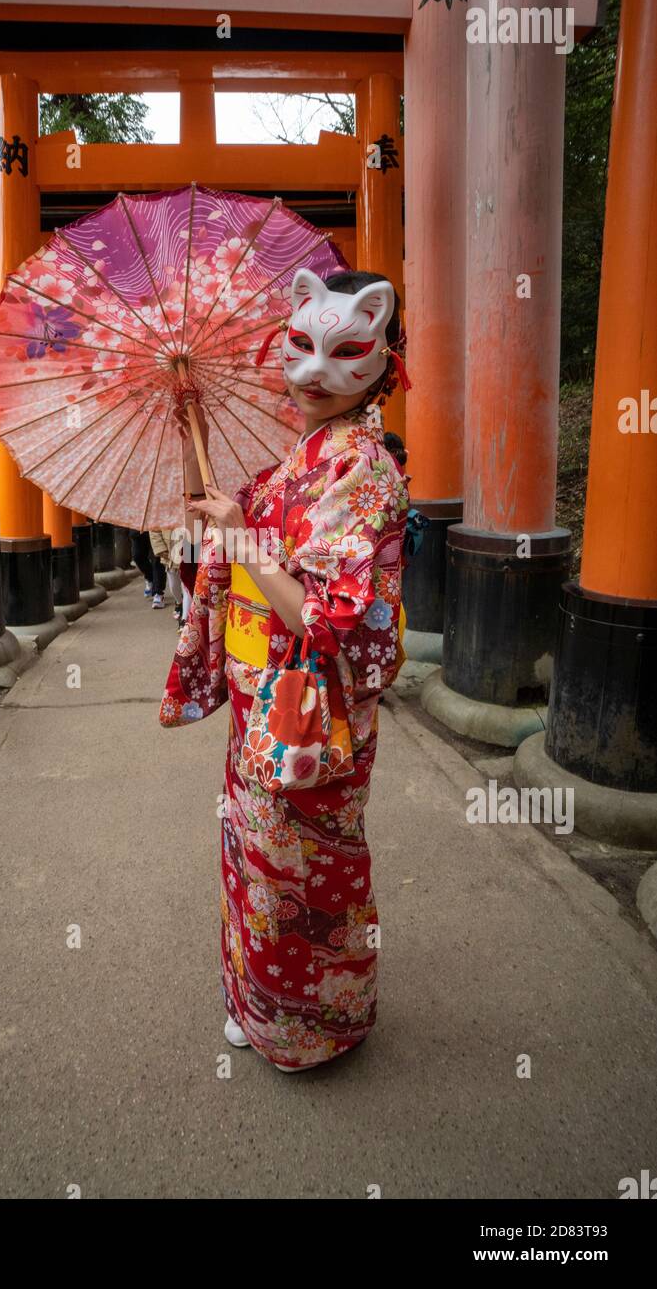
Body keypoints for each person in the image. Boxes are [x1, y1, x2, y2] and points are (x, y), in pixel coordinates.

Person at [160, 267, 409, 1072]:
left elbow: (319, 614)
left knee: (302, 872)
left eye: (344, 353)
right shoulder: (299, 456)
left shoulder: (361, 468)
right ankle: (260, 1005)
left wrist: (238, 539)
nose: (312, 374)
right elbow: (244, 538)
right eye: (300, 347)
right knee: (254, 856)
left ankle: (314, 1029)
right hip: (261, 696)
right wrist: (204, 463)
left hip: (310, 701)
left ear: (381, 354)